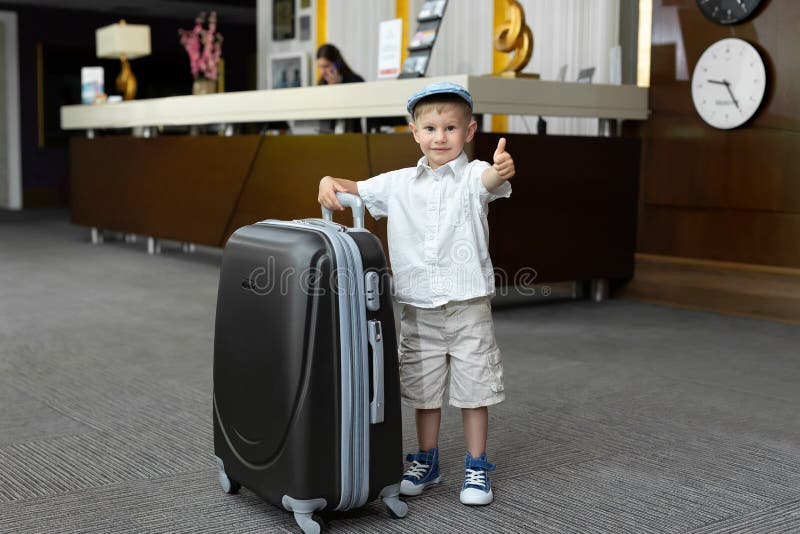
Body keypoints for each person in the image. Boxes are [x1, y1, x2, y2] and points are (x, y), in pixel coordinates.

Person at [317, 82, 515, 506]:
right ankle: (428, 459)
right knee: (423, 390)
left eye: (450, 128)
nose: (439, 137)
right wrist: (328, 180)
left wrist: (501, 168)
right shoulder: (399, 183)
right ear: (414, 132)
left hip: (467, 307)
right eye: (429, 128)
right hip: (418, 307)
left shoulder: (473, 175)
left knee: (474, 387)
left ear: (469, 131)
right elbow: (355, 189)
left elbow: (491, 179)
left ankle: (477, 466)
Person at [316, 43, 364, 133]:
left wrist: (338, 88)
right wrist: (330, 90)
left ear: (337, 64)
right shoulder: (321, 85)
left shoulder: (355, 81)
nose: (322, 72)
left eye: (326, 66)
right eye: (319, 67)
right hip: (328, 137)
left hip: (352, 137)